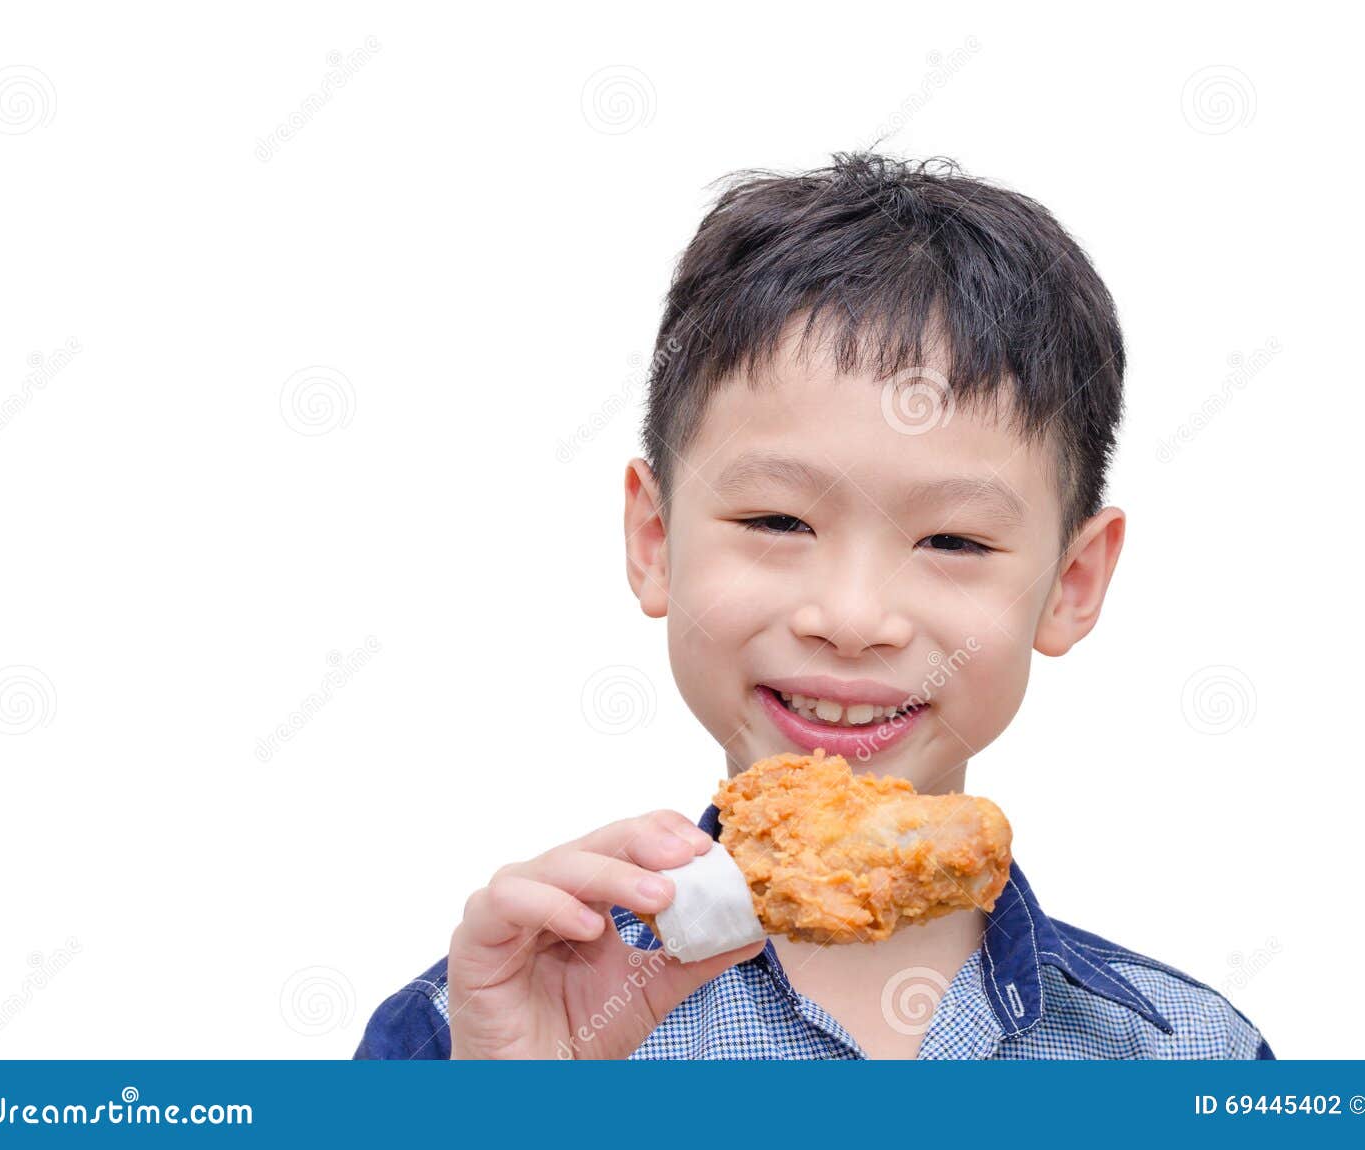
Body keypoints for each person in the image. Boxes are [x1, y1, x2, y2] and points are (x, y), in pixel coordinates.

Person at [355, 152, 1274, 1060]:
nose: (851, 615)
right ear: (655, 541)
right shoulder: (475, 1029)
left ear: (1072, 584)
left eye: (952, 541)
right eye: (776, 519)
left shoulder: (1186, 1055)